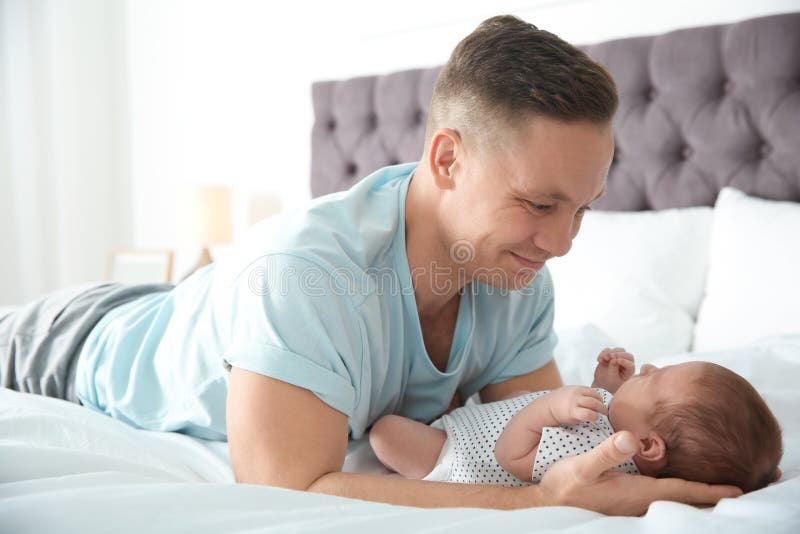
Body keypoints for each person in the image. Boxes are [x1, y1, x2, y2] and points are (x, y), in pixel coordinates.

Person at [0, 15, 743, 513]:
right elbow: (291, 491)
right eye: (540, 204)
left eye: (583, 209)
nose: (563, 244)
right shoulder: (305, 275)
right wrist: (541, 502)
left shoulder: (518, 280)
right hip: (73, 341)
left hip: (192, 311)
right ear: (448, 158)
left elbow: (544, 444)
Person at [370, 348, 783, 493]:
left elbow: (511, 454)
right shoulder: (622, 427)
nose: (651, 365)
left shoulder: (591, 458)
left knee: (385, 433)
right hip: (481, 421)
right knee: (510, 395)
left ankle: (422, 443)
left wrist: (550, 407)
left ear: (648, 447)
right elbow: (592, 415)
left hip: (461, 456)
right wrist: (601, 385)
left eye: (656, 379)